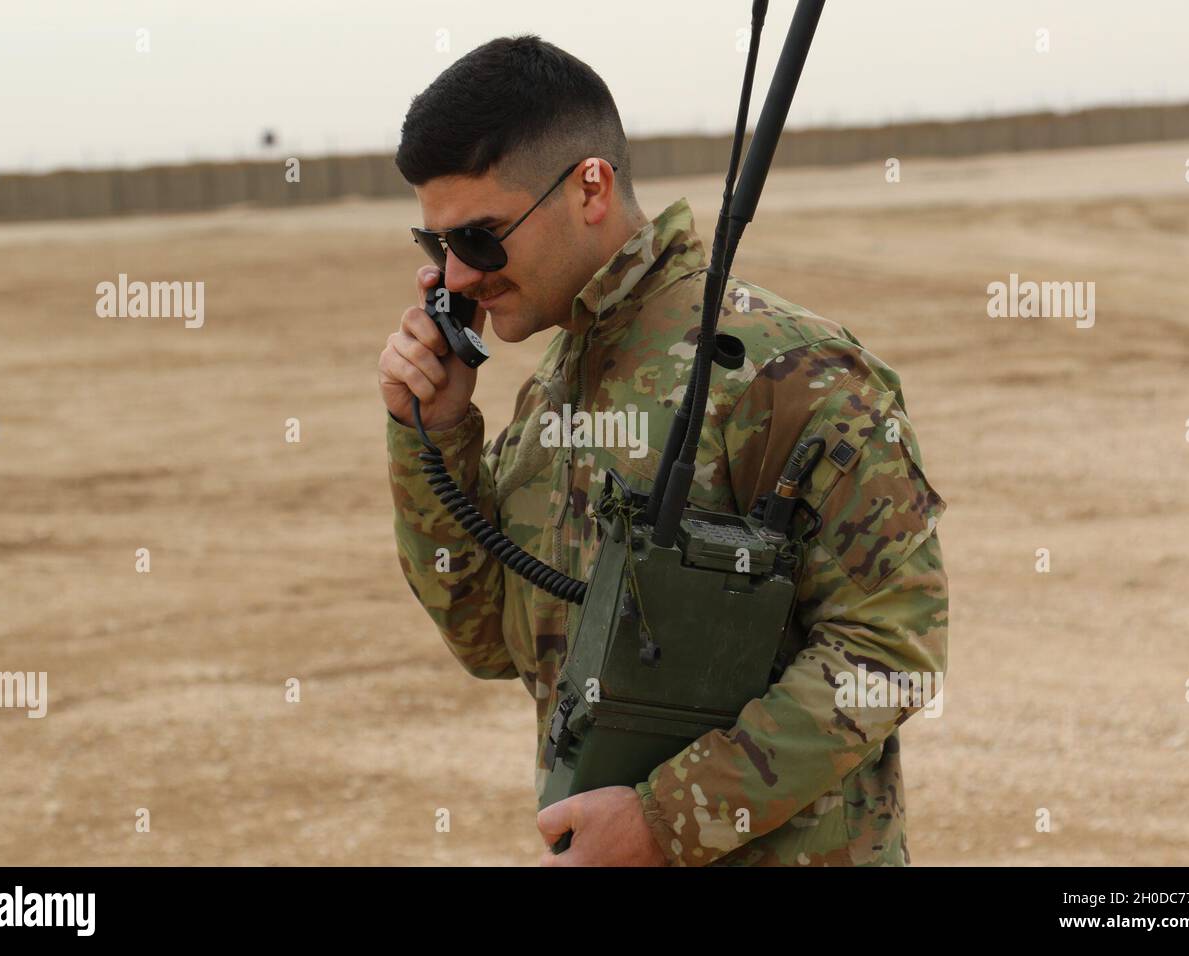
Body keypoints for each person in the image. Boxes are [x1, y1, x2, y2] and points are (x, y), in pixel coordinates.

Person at [380, 35, 948, 866]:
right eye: (437, 249)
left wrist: (665, 821)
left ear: (590, 187)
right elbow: (485, 638)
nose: (457, 279)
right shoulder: (554, 387)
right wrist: (432, 438)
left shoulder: (784, 366)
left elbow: (891, 650)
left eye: (481, 239)